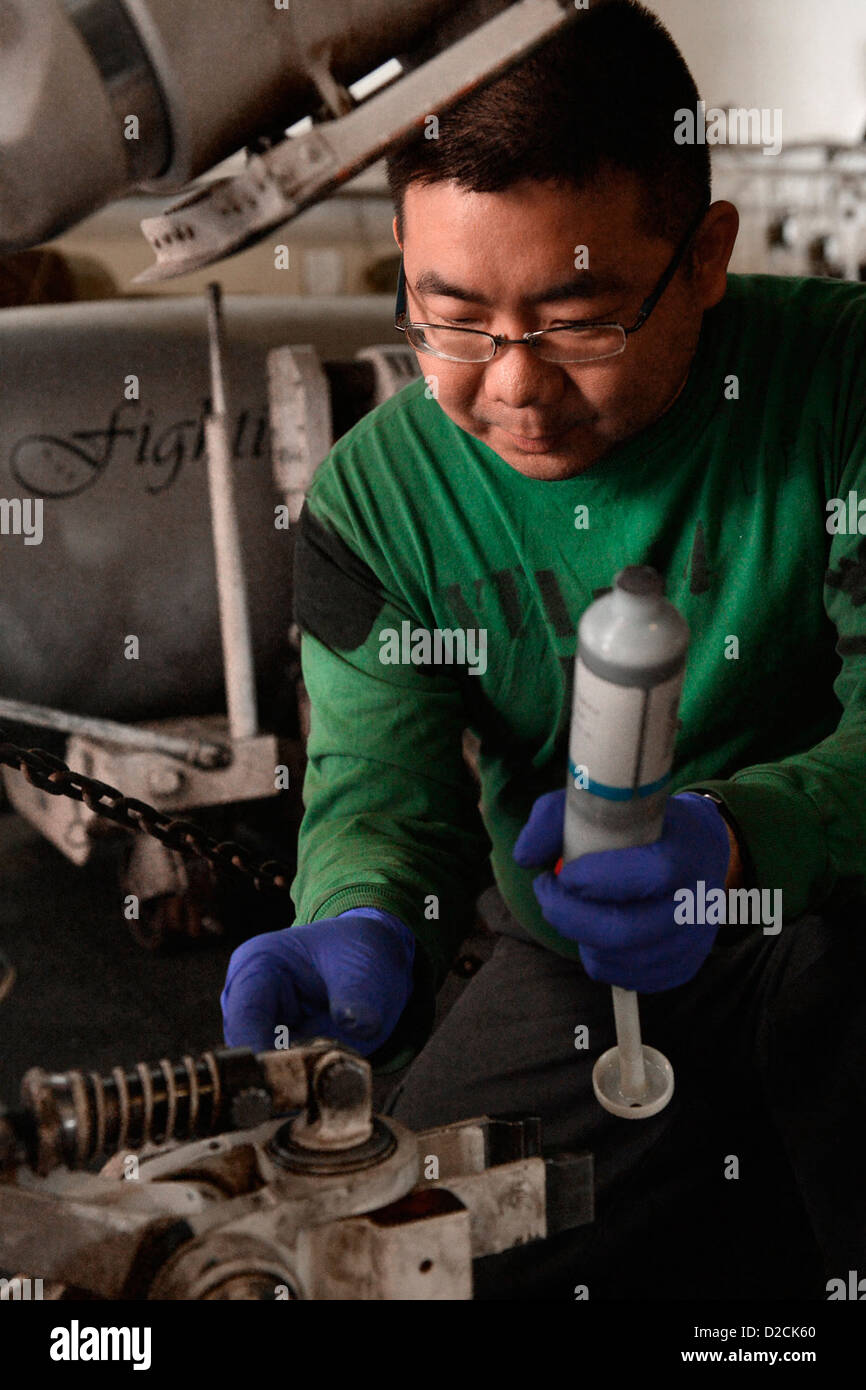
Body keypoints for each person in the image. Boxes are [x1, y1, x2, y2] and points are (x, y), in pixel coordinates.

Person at [221, 0, 866, 1298]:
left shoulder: (840, 390)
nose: (511, 387)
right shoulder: (372, 503)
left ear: (702, 257)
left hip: (838, 913)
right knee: (420, 1250)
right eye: (448, 317)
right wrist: (358, 919)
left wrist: (742, 842)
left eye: (580, 320)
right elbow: (383, 797)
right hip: (574, 946)